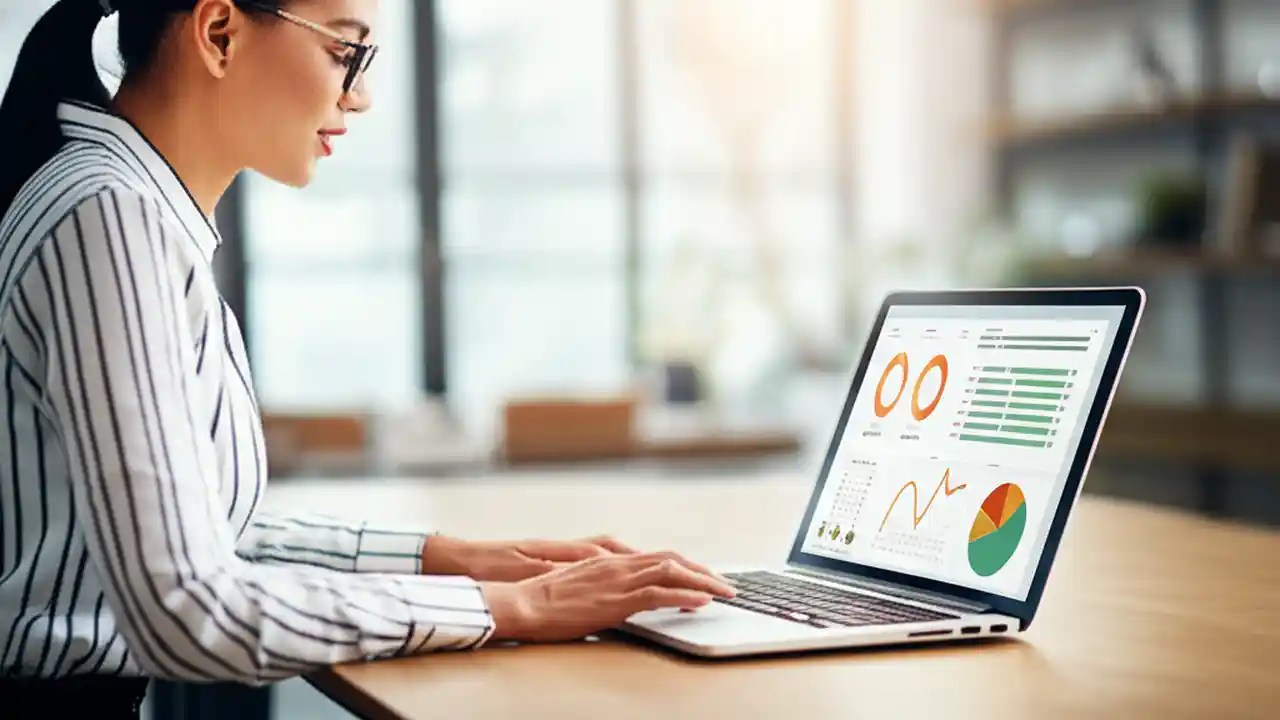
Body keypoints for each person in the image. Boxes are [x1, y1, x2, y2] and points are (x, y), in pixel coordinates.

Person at [0, 1, 735, 716]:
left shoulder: (130, 210)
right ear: (219, 33)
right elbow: (187, 606)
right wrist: (512, 606)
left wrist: (458, 559)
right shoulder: (109, 220)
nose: (362, 96)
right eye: (344, 51)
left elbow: (206, 530)